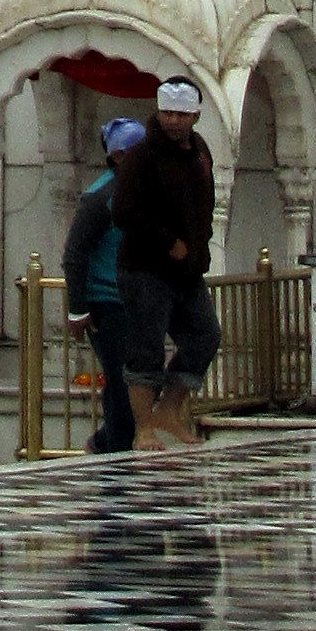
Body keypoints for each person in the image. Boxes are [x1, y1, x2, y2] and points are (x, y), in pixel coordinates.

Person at [111, 79, 219, 447]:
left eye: (181, 114)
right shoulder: (141, 157)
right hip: (145, 269)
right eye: (167, 113)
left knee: (205, 336)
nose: (173, 121)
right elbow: (124, 211)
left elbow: (205, 202)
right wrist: (167, 241)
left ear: (195, 115)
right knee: (147, 348)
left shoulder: (200, 151)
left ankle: (168, 412)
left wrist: (197, 249)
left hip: (187, 271)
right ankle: (143, 428)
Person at [63, 117, 147, 454]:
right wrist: (78, 309)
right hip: (107, 303)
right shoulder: (100, 197)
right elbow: (75, 254)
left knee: (137, 377)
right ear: (119, 156)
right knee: (121, 379)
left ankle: (107, 442)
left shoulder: (144, 190)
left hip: (137, 299)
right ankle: (114, 449)